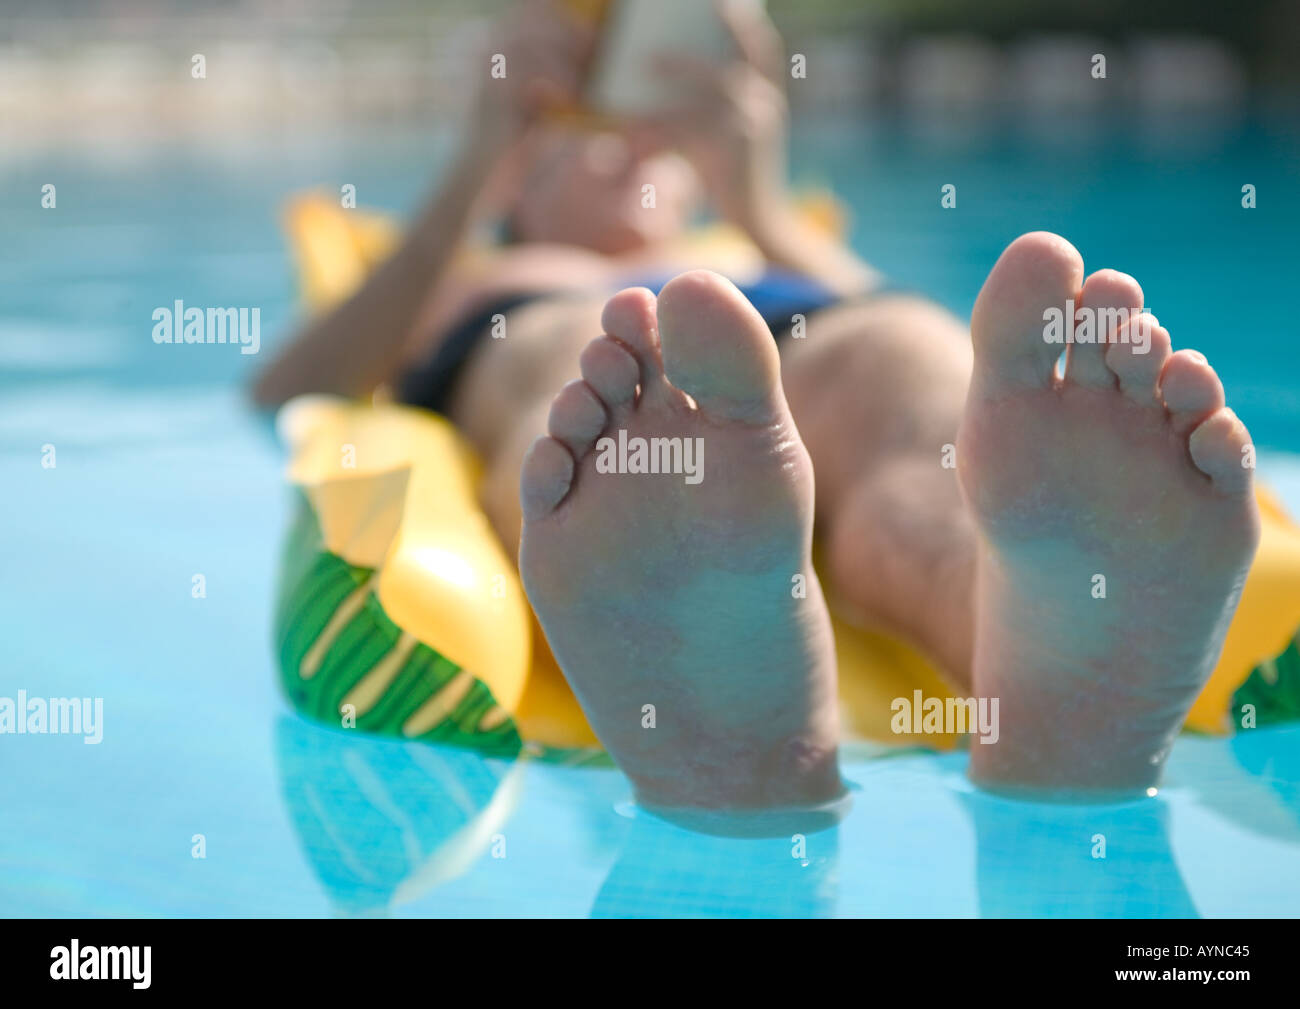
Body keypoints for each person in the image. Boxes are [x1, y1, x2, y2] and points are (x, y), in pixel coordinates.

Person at [252, 1, 1260, 827]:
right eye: (583, 143)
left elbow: (989, 367)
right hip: (554, 327)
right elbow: (289, 391)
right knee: (603, 364)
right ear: (523, 182)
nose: (627, 153)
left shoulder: (757, 241)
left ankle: (1037, 667)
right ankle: (719, 681)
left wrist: (758, 201)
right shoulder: (479, 269)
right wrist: (479, 160)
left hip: (800, 325)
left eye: (655, 148)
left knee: (899, 356)